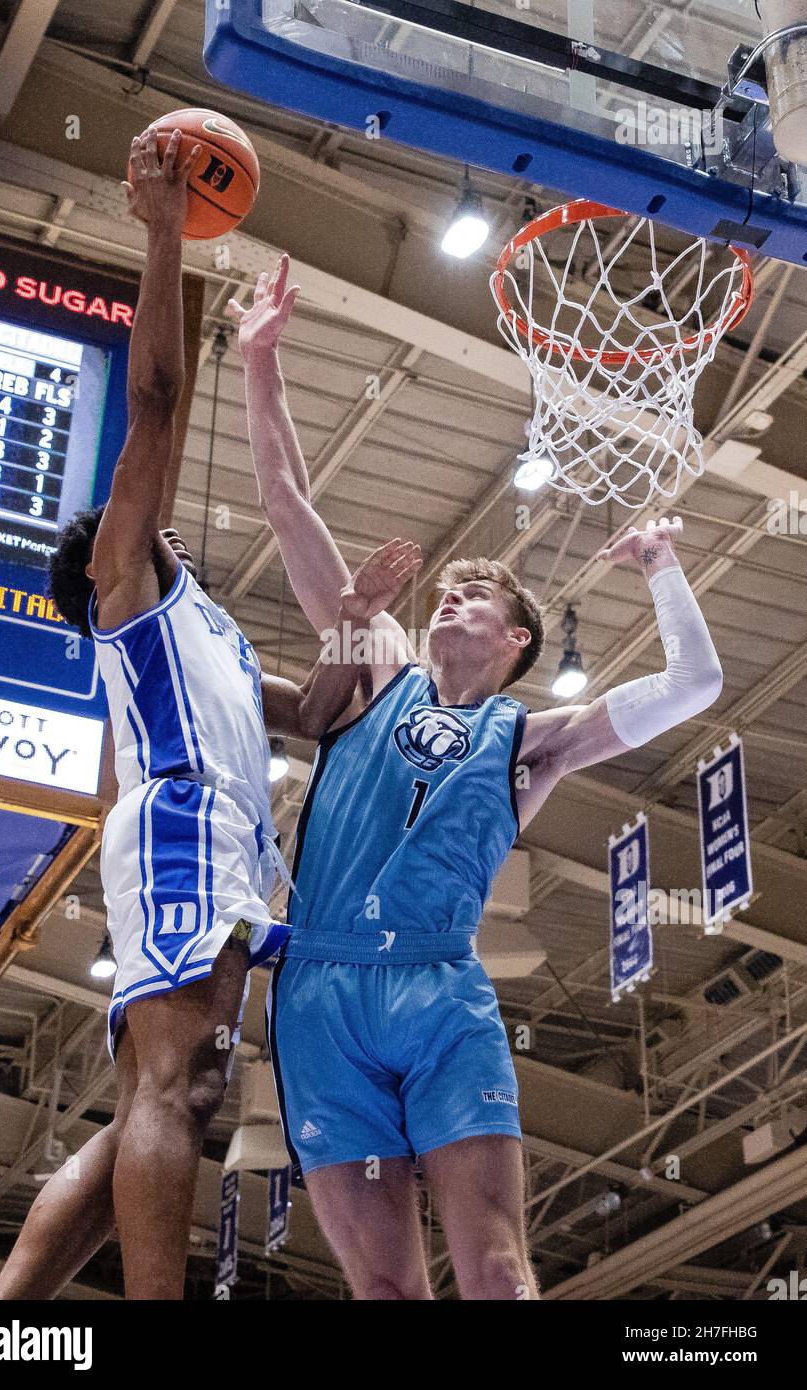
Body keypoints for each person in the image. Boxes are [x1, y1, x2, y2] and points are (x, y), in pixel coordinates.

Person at [231, 255, 724, 1301]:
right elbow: (283, 502)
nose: (445, 601)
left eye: (470, 598)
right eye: (442, 594)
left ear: (513, 639)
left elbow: (694, 684)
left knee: (496, 1270)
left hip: (437, 990)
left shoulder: (532, 737)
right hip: (318, 990)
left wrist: (662, 564)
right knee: (384, 1289)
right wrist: (258, 360)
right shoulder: (372, 672)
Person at [0, 132, 421, 1302]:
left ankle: (11, 1318)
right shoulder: (127, 583)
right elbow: (158, 400)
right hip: (181, 825)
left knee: (153, 1091)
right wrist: (165, 231)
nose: (158, 511)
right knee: (182, 1087)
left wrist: (359, 615)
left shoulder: (209, 633)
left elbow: (321, 713)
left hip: (210, 832)